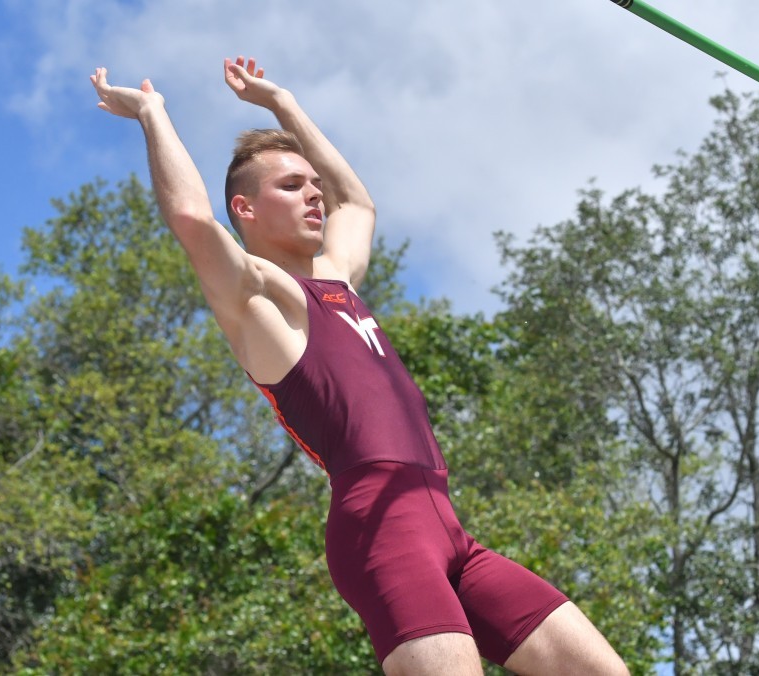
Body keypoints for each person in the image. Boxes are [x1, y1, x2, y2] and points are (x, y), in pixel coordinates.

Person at [90, 56, 629, 676]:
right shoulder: (261, 300)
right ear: (243, 209)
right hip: (382, 530)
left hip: (449, 530)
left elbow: (358, 204)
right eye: (291, 186)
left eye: (312, 183)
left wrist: (283, 103)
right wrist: (154, 115)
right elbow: (190, 219)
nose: (313, 194)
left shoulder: (337, 282)